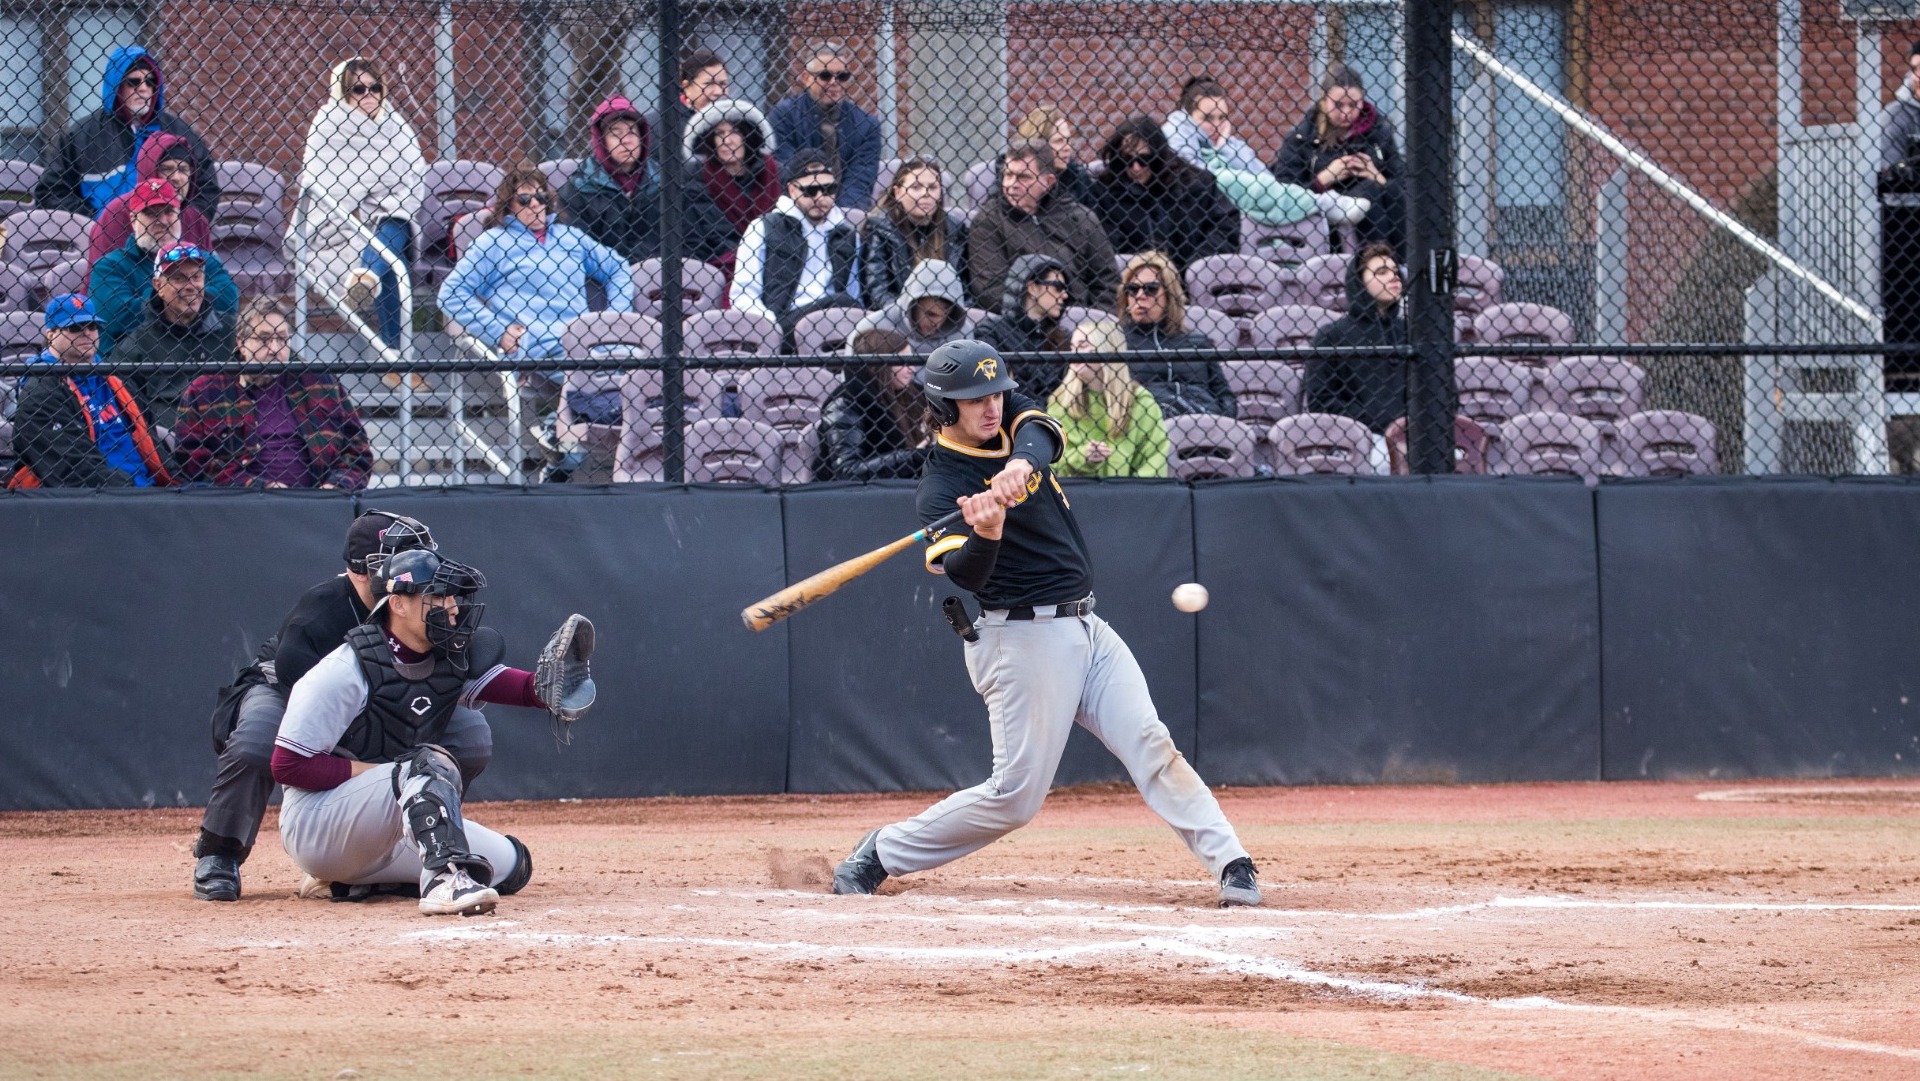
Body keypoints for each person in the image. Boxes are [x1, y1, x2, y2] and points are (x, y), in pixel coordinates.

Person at [829, 339, 1260, 908]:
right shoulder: (941, 486)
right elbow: (968, 576)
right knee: (1014, 798)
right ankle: (880, 854)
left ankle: (1232, 863)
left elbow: (1042, 434)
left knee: (1150, 742)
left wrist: (1021, 465)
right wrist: (986, 531)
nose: (991, 406)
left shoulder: (1010, 420)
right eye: (974, 399)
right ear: (943, 407)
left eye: (994, 394)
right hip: (1020, 639)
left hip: (1086, 625)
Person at [270, 547, 595, 916]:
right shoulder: (344, 669)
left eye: (452, 595)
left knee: (511, 866)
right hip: (318, 824)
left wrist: (549, 687)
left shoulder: (445, 655)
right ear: (398, 603)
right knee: (426, 764)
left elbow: (518, 688)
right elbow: (288, 766)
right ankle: (444, 880)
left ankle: (356, 882)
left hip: (386, 824)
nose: (452, 606)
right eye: (438, 596)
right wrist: (394, 775)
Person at [188, 512, 479, 902]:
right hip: (289, 690)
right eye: (394, 560)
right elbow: (306, 702)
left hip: (386, 699)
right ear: (358, 572)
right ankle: (220, 852)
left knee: (471, 736)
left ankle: (417, 841)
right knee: (256, 744)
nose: (408, 569)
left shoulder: (426, 605)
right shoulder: (320, 614)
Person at [438, 164, 635, 368]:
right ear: (509, 205)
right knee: (606, 374)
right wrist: (498, 331)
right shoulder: (492, 243)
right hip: (538, 346)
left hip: (587, 337)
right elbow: (451, 293)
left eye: (541, 197)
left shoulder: (569, 236)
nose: (535, 204)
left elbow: (618, 268)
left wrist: (614, 318)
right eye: (524, 199)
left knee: (642, 362)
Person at [293, 58, 427, 350]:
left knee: (397, 220)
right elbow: (322, 184)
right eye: (358, 89)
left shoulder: (395, 125)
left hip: (385, 221)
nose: (369, 95)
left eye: (375, 88)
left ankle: (366, 277)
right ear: (342, 92)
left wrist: (382, 207)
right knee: (392, 262)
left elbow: (413, 178)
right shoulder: (328, 125)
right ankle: (396, 355)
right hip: (334, 227)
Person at [174, 298, 373, 489]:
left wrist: (336, 486)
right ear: (241, 343)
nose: (275, 349)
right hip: (242, 502)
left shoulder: (320, 382)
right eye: (264, 339)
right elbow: (192, 462)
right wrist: (257, 487)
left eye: (282, 339)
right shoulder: (206, 391)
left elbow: (358, 450)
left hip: (318, 500)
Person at [7, 293, 175, 489]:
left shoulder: (116, 379)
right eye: (75, 328)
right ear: (51, 335)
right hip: (98, 496)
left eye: (92, 326)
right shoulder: (40, 392)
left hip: (147, 486)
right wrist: (132, 489)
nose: (86, 333)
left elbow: (151, 439)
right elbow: (75, 469)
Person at [33, 45, 219, 220]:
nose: (144, 89)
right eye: (133, 82)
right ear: (116, 85)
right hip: (97, 234)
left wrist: (179, 223)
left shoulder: (177, 131)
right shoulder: (82, 134)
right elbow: (51, 191)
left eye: (151, 82)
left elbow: (207, 189)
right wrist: (95, 221)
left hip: (165, 232)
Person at [557, 95, 734, 267]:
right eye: (615, 134)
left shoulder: (666, 183)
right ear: (601, 141)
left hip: (666, 276)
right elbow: (577, 250)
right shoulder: (579, 189)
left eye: (632, 132)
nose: (626, 140)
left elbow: (693, 241)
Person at [89, 180, 238, 357]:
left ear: (179, 215)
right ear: (133, 220)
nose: (162, 221)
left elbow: (229, 301)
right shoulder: (109, 266)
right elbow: (117, 319)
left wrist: (162, 302)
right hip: (132, 364)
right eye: (151, 213)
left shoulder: (204, 258)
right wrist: (190, 303)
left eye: (169, 211)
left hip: (199, 357)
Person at [969, 141, 1118, 314]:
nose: (1011, 184)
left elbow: (1108, 282)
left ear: (1048, 181)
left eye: (1023, 177)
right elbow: (990, 290)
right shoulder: (989, 220)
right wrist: (1039, 313)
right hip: (1018, 322)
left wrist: (1088, 320)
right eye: (1008, 175)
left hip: (1079, 320)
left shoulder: (1081, 218)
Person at [1271, 64, 1405, 256]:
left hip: (1381, 221)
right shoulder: (1301, 138)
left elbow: (1403, 186)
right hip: (1323, 226)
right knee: (1367, 193)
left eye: (1354, 105)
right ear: (1324, 100)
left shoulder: (1380, 134)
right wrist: (1324, 179)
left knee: (1372, 189)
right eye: (1338, 105)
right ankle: (1378, 264)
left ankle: (1385, 262)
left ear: (1363, 101)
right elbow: (1283, 193)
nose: (1346, 113)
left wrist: (1376, 176)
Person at [728, 149, 861, 338]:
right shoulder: (763, 227)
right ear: (792, 190)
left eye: (828, 189)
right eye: (810, 191)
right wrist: (770, 326)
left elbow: (855, 293)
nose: (819, 197)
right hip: (784, 322)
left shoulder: (846, 234)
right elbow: (743, 294)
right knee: (840, 302)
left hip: (838, 321)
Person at [110, 241, 240, 429]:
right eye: (179, 278)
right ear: (158, 285)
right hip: (166, 438)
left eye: (196, 277)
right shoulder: (137, 345)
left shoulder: (232, 331)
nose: (191, 286)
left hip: (230, 431)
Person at [1088, 117, 1239, 274]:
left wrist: (1194, 266)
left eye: (1144, 159)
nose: (1136, 168)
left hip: (1194, 274)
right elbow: (1108, 243)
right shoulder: (1106, 194)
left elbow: (1226, 225)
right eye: (1127, 160)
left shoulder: (1194, 184)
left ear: (1158, 156)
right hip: (1136, 278)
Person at [1116, 251, 1235, 418]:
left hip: (1203, 422)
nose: (1140, 296)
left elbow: (1226, 398)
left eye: (1150, 289)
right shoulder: (1116, 342)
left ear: (1169, 295)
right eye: (1133, 289)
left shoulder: (1197, 342)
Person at [1306, 241, 1407, 436]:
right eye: (1381, 272)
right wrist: (1375, 422)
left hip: (1416, 436)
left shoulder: (1411, 332)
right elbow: (1321, 400)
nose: (1394, 276)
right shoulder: (1332, 336)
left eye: (1395, 271)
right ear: (1360, 283)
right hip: (1360, 437)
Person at [767, 41, 881, 212]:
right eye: (825, 75)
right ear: (806, 78)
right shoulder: (783, 116)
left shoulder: (867, 125)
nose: (835, 82)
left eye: (842, 76)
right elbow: (786, 170)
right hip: (796, 207)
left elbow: (860, 180)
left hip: (845, 210)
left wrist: (840, 216)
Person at [1050, 318, 1169, 478]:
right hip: (1079, 490)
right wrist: (1082, 456)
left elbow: (1154, 460)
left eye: (1083, 346)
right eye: (1072, 347)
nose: (1074, 353)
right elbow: (1053, 462)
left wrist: (1131, 490)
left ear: (1106, 349)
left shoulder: (1142, 402)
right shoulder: (1061, 401)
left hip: (1133, 491)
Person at [809, 327, 929, 481]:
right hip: (852, 492)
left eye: (911, 361)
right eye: (902, 362)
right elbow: (848, 471)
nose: (912, 369)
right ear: (879, 366)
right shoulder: (846, 402)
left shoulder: (914, 394)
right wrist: (913, 458)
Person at [685, 99, 781, 287]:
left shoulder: (773, 174)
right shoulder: (697, 180)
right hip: (720, 266)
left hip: (773, 261)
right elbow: (708, 237)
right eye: (719, 133)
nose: (727, 140)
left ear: (748, 136)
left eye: (735, 132)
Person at [84, 133, 212, 266]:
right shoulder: (115, 215)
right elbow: (103, 275)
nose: (176, 178)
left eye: (183, 169)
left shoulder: (196, 219)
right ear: (148, 171)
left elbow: (213, 273)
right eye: (167, 169)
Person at [859, 158, 970, 309]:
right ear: (898, 192)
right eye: (916, 187)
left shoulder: (955, 229)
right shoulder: (879, 228)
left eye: (932, 187)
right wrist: (914, 314)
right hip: (897, 315)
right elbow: (877, 293)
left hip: (948, 315)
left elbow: (967, 292)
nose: (925, 193)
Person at [969, 253, 1073, 398]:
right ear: (1032, 288)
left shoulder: (1064, 338)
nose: (1065, 295)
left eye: (1066, 288)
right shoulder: (991, 332)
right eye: (1058, 287)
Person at [1879, 40, 1920, 387]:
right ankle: (1904, 371)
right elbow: (1893, 173)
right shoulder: (1896, 115)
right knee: (1905, 296)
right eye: (1916, 69)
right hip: (1906, 220)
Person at [849, 259, 969, 354]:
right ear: (912, 304)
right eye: (930, 314)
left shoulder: (962, 334)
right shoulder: (872, 329)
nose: (937, 323)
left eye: (946, 315)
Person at [1162, 76, 1269, 176]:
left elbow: (1266, 178)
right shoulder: (1176, 134)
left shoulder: (1229, 142)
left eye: (1222, 118)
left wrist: (1223, 147)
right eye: (1207, 118)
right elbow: (1194, 179)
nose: (1217, 126)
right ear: (1189, 115)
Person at [648, 47, 732, 157]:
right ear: (686, 86)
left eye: (723, 84)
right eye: (708, 83)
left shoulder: (736, 120)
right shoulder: (660, 126)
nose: (718, 91)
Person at [1012, 105, 1092, 207]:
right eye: (1058, 141)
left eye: (1068, 140)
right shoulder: (1009, 177)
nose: (1067, 147)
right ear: (1037, 143)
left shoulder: (1077, 177)